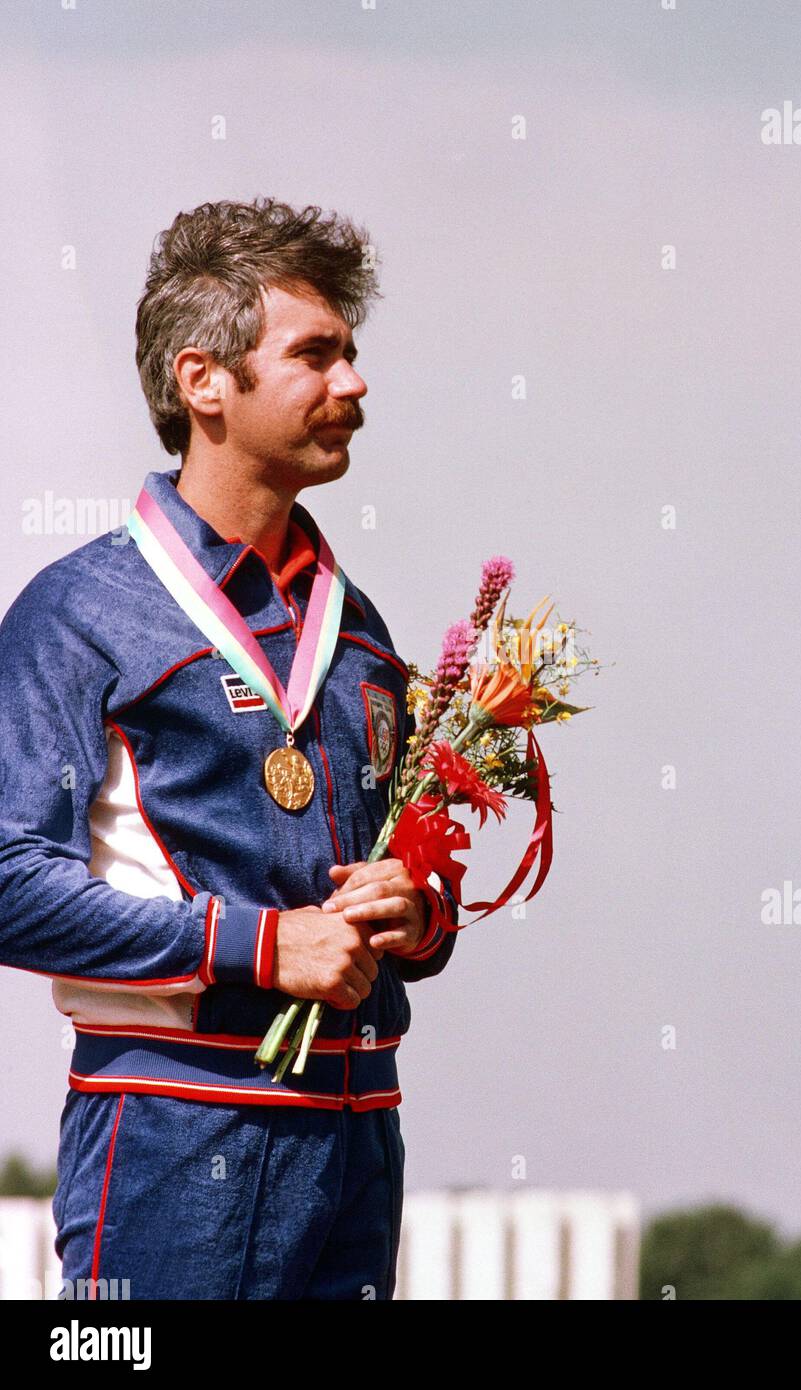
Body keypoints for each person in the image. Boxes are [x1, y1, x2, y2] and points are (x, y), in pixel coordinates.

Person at [0, 197, 458, 1300]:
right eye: (315, 354)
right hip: (170, 1134)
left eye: (350, 354)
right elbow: (8, 881)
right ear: (204, 381)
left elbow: (391, 892)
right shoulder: (79, 613)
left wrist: (421, 911)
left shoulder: (359, 632)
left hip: (361, 1135)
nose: (352, 384)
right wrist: (261, 947)